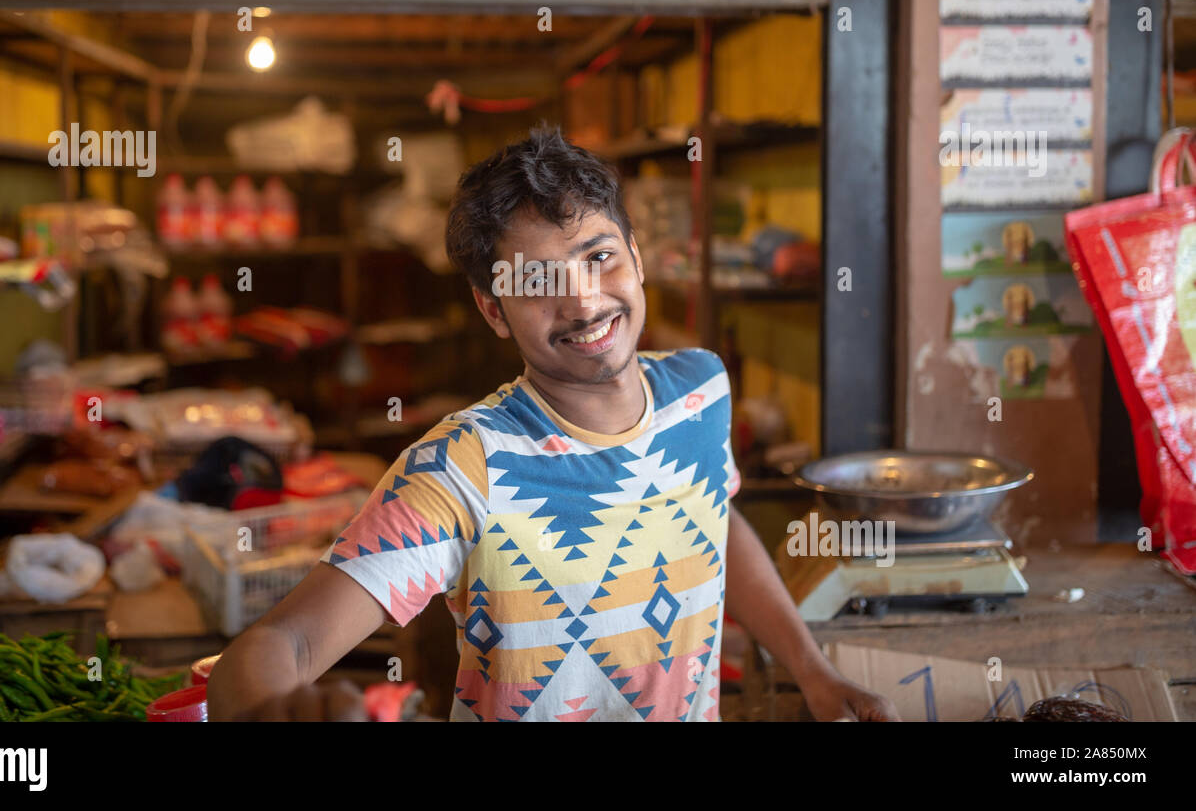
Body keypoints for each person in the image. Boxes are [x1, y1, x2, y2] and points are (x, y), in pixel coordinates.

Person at [209, 126, 899, 722]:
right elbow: (285, 644)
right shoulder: (462, 467)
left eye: (598, 257)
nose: (584, 301)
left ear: (634, 254)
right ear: (493, 310)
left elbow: (714, 512)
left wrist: (812, 670)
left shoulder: (703, 389)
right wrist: (272, 706)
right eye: (536, 281)